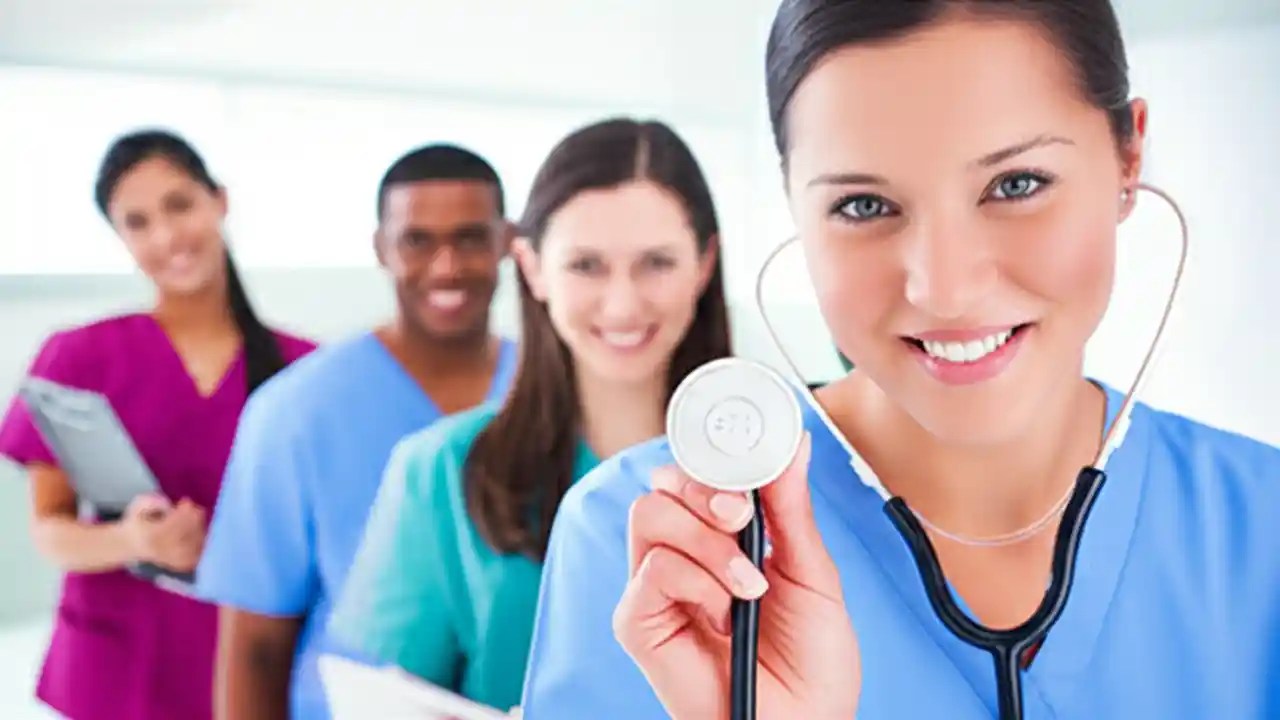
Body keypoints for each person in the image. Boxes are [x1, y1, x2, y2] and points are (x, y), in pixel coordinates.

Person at [520, 2, 1280, 719]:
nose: (944, 290)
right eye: (864, 205)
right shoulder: (653, 551)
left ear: (1129, 156)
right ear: (793, 203)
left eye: (1016, 185)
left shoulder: (1263, 527)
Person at [326, 117, 732, 713]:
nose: (622, 303)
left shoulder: (790, 466)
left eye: (657, 263)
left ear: (704, 264)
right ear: (532, 266)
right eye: (586, 265)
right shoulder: (440, 473)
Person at [194, 143, 519, 720]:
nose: (446, 266)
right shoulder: (296, 411)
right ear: (381, 248)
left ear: (507, 243)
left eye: (470, 238)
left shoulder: (554, 397)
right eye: (418, 240)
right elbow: (255, 647)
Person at [0, 129, 315, 720]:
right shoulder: (76, 357)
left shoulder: (303, 368)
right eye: (137, 222)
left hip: (247, 668)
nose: (167, 236)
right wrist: (134, 541)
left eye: (179, 205)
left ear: (218, 201)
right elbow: (51, 530)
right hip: (116, 673)